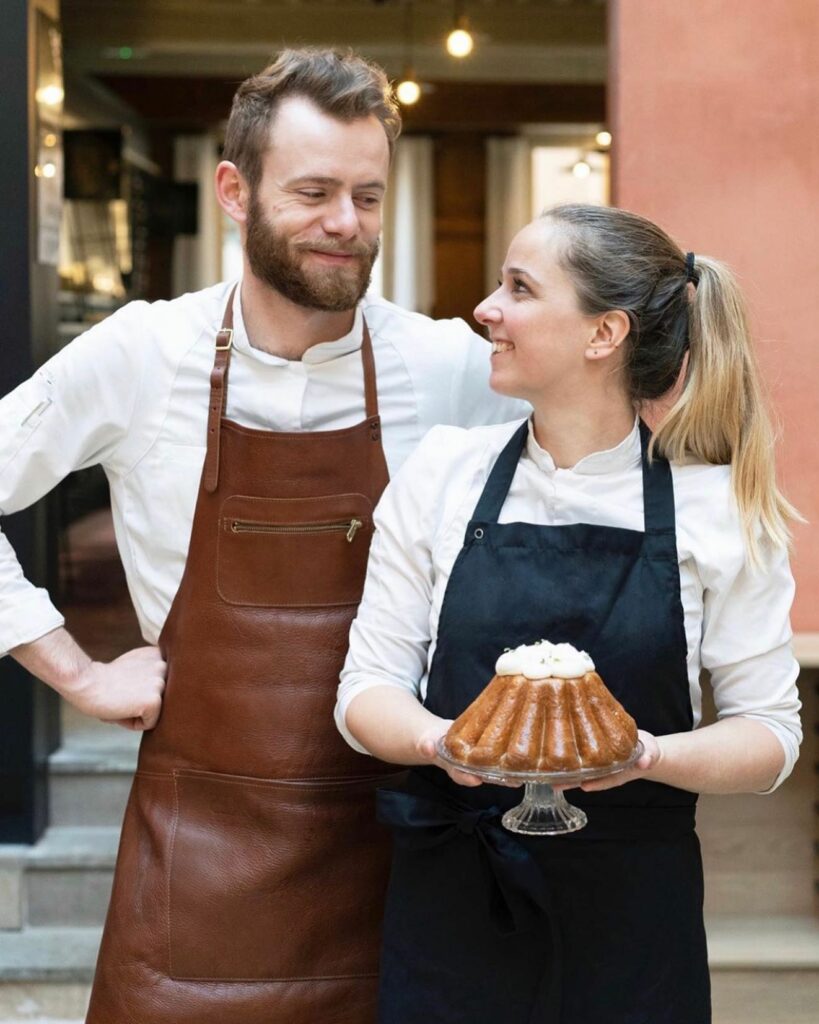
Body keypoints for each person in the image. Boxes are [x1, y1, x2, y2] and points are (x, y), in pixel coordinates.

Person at [0, 49, 526, 1023]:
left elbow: (585, 483)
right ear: (235, 193)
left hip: (394, 848)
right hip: (193, 855)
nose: (346, 224)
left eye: (368, 196)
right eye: (316, 191)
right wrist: (78, 673)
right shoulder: (143, 352)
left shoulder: (444, 362)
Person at [336, 204, 803, 1024]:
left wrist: (646, 756)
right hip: (455, 902)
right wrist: (434, 743)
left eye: (518, 288)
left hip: (630, 915)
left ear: (603, 334)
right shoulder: (442, 472)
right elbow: (363, 690)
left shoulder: (713, 511)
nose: (486, 308)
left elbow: (769, 737)